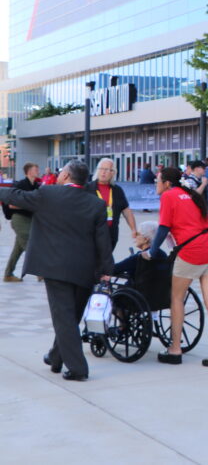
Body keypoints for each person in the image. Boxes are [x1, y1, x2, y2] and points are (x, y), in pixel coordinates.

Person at [0, 160, 112, 381]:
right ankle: (55, 357)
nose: (59, 175)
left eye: (62, 173)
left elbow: (15, 196)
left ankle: (78, 368)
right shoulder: (97, 204)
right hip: (86, 269)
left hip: (56, 267)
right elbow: (103, 241)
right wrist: (106, 269)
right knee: (71, 317)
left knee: (64, 319)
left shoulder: (48, 194)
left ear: (67, 176)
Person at [143, 166, 208, 367]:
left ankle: (175, 348)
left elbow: (163, 227)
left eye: (158, 181)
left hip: (191, 251)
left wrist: (152, 251)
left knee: (176, 298)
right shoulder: (191, 194)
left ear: (167, 183)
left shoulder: (169, 196)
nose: (156, 184)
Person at [86, 157, 140, 253]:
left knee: (106, 259)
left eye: (107, 170)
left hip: (111, 233)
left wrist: (133, 229)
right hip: (92, 233)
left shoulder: (117, 190)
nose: (103, 172)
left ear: (113, 173)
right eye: (101, 169)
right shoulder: (87, 188)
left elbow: (126, 211)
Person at [3, 162, 42, 282]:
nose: (38, 171)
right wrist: (29, 206)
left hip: (29, 219)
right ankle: (41, 272)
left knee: (18, 248)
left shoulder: (36, 186)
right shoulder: (20, 185)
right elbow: (11, 204)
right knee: (30, 245)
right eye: (36, 169)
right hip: (19, 219)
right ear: (29, 171)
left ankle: (8, 274)